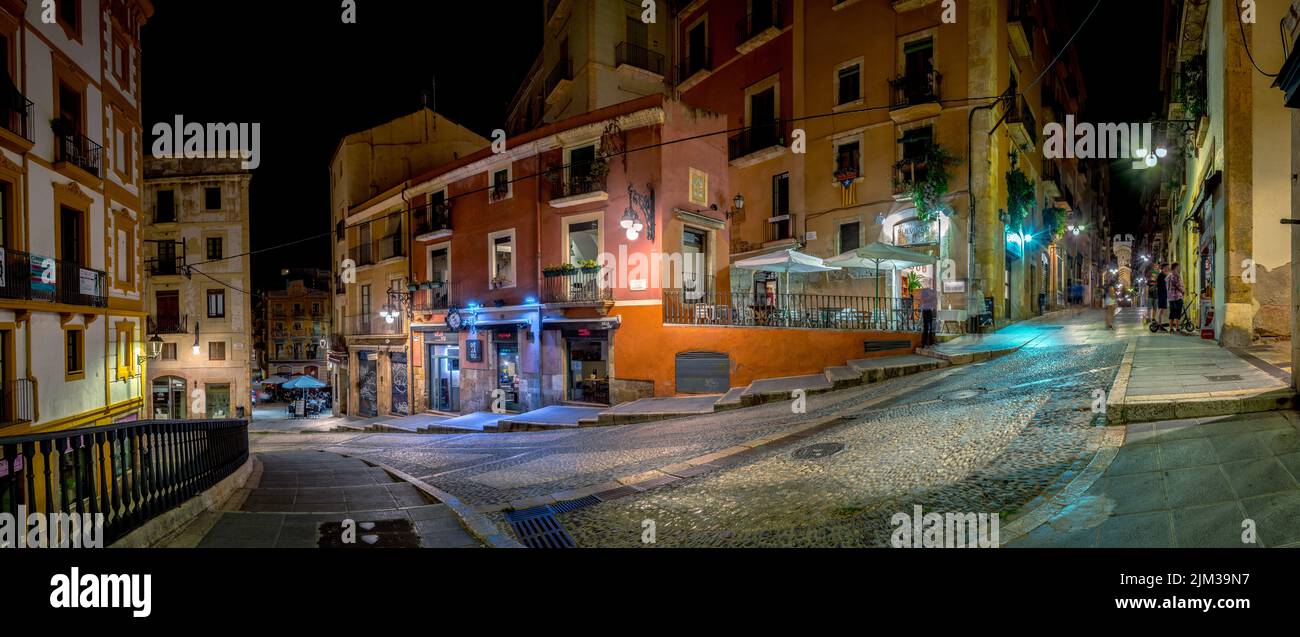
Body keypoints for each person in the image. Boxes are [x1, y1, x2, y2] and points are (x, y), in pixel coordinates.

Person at [1167, 262, 1185, 331]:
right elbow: (1176, 285)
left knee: (1173, 312)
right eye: (1178, 266)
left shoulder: (1169, 275)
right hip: (1176, 296)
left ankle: (1172, 328)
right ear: (1175, 267)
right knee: (1177, 312)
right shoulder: (1175, 275)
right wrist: (1182, 291)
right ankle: (1176, 327)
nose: (1179, 268)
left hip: (1171, 297)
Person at [1154, 263, 1169, 329]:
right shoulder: (1161, 275)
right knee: (1161, 309)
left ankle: (1160, 324)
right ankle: (1159, 324)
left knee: (1162, 310)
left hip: (1163, 294)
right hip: (1162, 294)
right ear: (1163, 268)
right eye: (1167, 267)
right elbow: (1162, 286)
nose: (1168, 268)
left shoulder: (1163, 275)